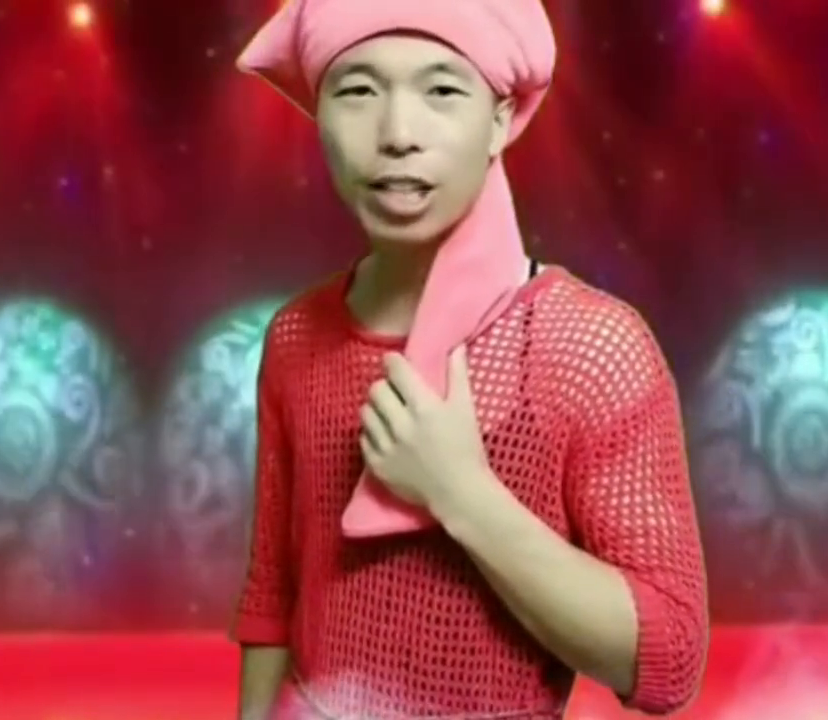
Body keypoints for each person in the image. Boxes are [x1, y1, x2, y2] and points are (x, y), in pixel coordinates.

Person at [231, 1, 709, 718]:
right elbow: (274, 596)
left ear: (500, 117)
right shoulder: (297, 336)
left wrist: (460, 492)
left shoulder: (588, 347)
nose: (397, 133)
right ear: (317, 112)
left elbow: (669, 660)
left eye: (441, 90)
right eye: (357, 90)